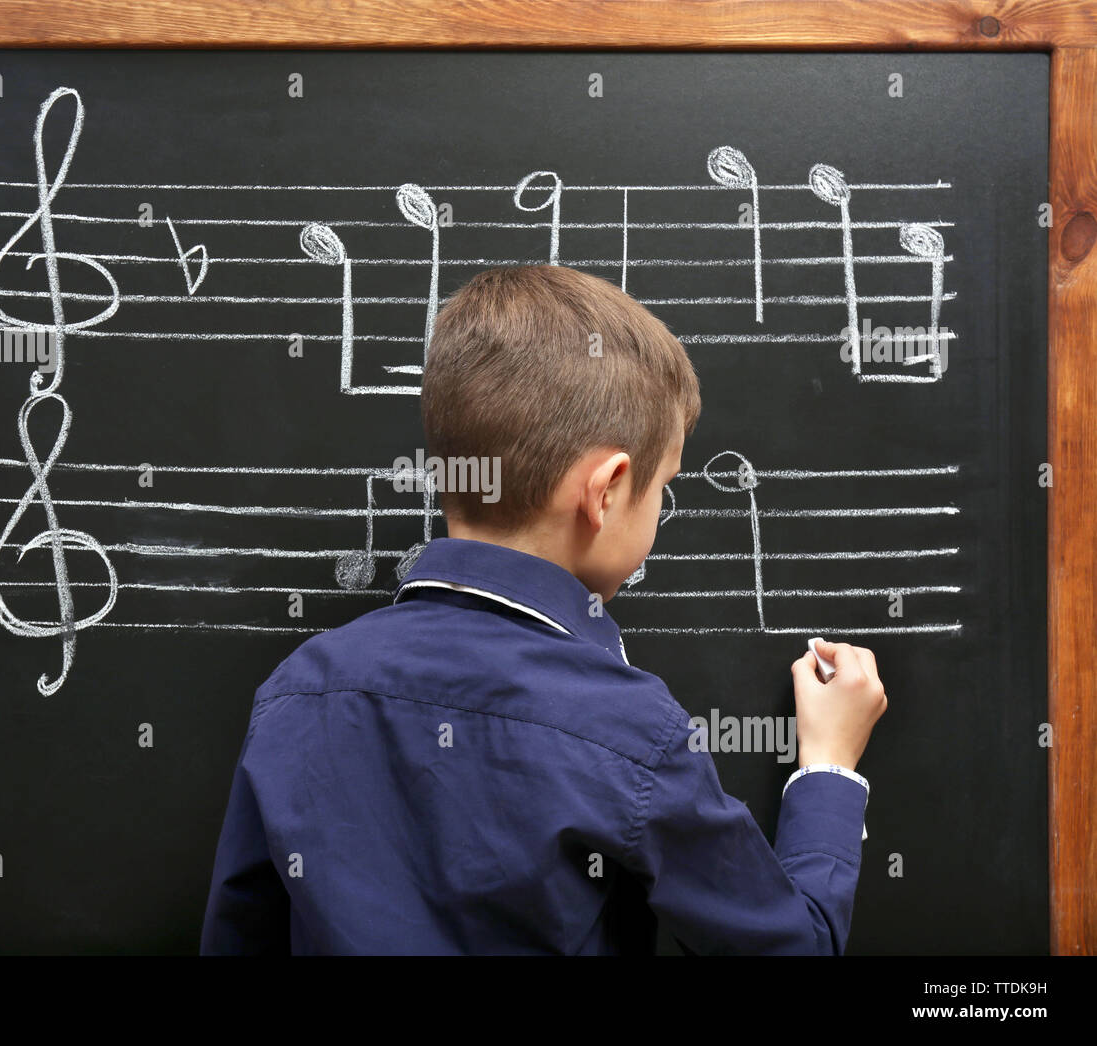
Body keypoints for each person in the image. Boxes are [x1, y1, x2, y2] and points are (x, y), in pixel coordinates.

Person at [200, 264, 887, 955]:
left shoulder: (297, 689)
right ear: (609, 490)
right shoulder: (630, 730)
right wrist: (828, 764)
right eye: (663, 488)